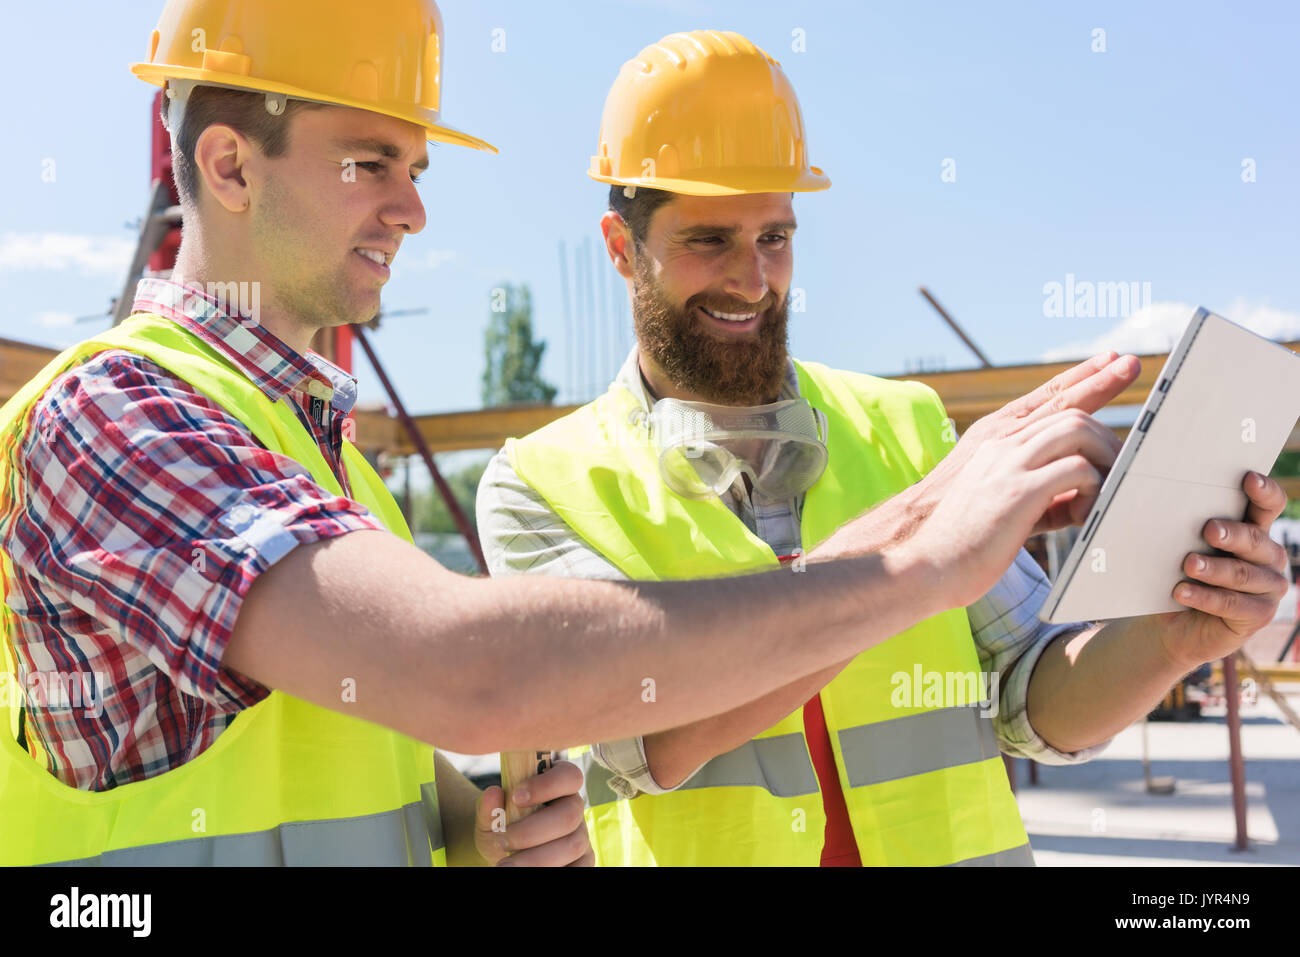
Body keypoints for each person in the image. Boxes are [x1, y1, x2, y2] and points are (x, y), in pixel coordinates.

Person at [0, 0, 1129, 868]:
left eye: (416, 168)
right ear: (230, 164)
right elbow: (468, 673)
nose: (414, 209)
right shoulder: (120, 417)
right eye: (370, 164)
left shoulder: (321, 459)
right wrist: (919, 558)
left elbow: (350, 762)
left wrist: (469, 827)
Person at [476, 29, 1292, 866]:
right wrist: (919, 546)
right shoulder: (539, 484)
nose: (752, 279)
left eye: (775, 237)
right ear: (623, 249)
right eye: (709, 239)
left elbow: (1034, 693)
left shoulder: (908, 426)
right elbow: (649, 735)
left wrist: (1170, 640)